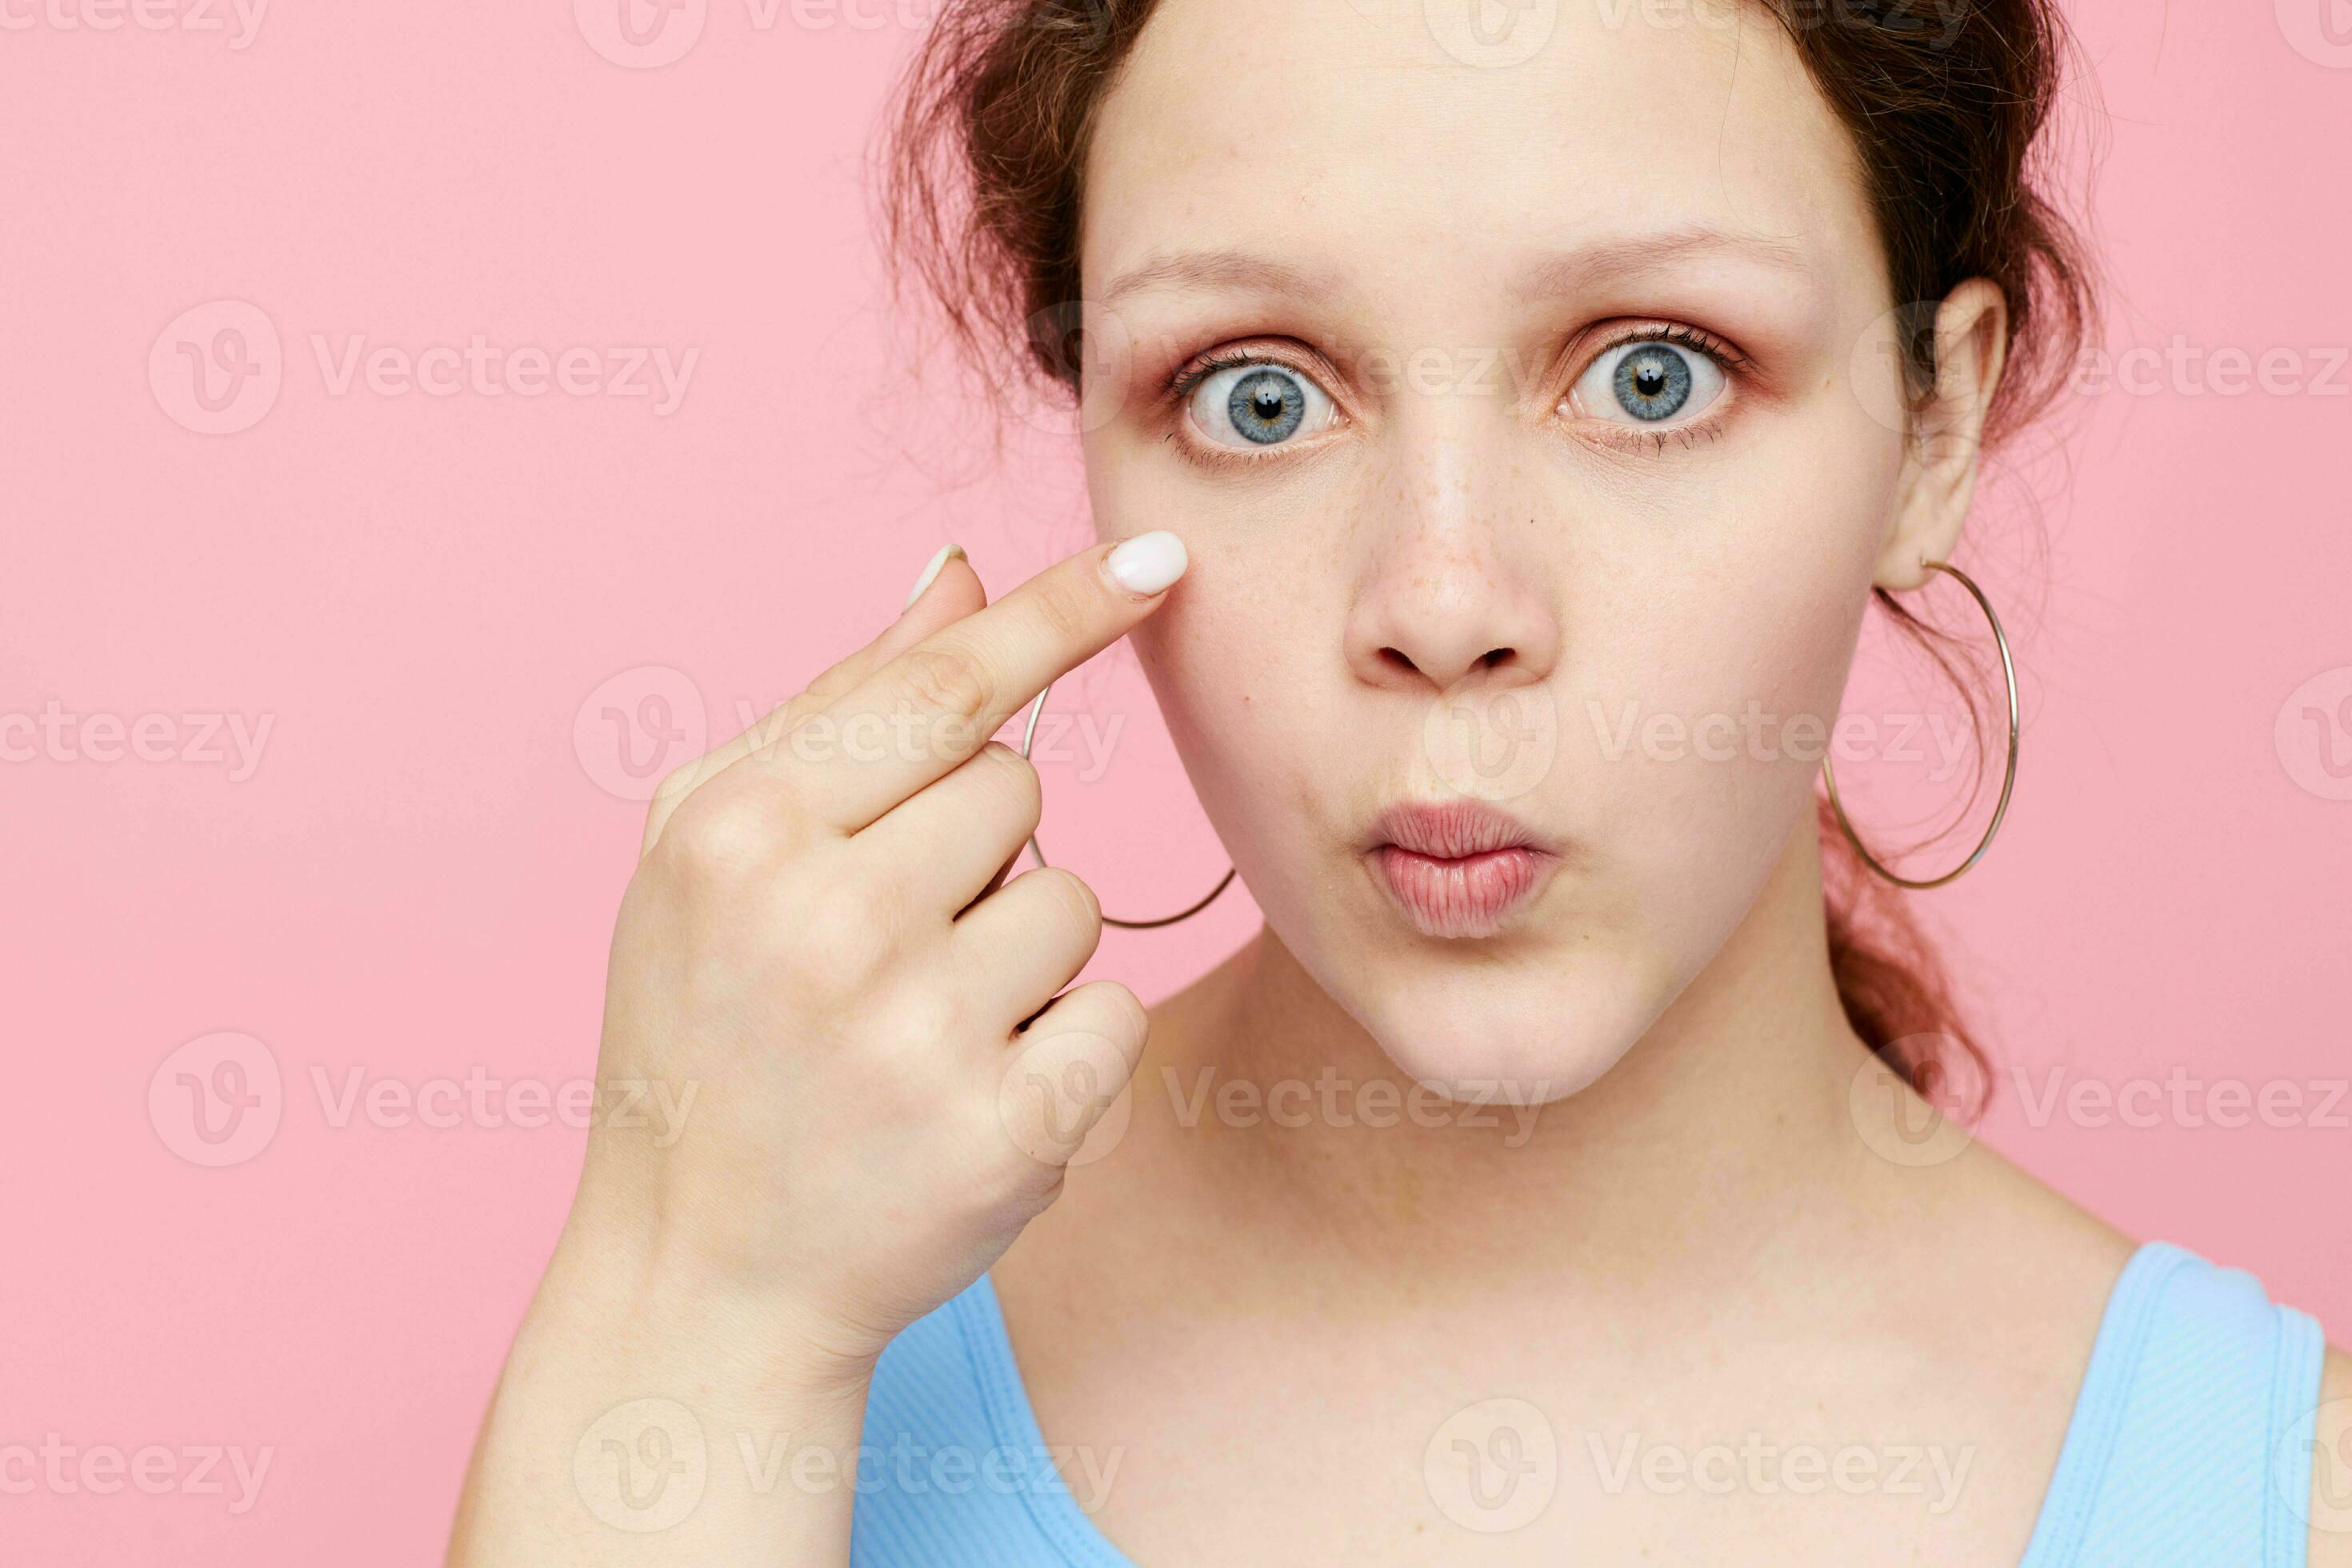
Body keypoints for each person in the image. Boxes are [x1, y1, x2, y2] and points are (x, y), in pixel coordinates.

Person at [449, 0, 2351, 1560]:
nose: (1443, 603)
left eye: (1655, 375)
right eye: (1257, 394)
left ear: (1933, 426)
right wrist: (693, 1319)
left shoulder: (2285, 1498)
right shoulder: (774, 1352)